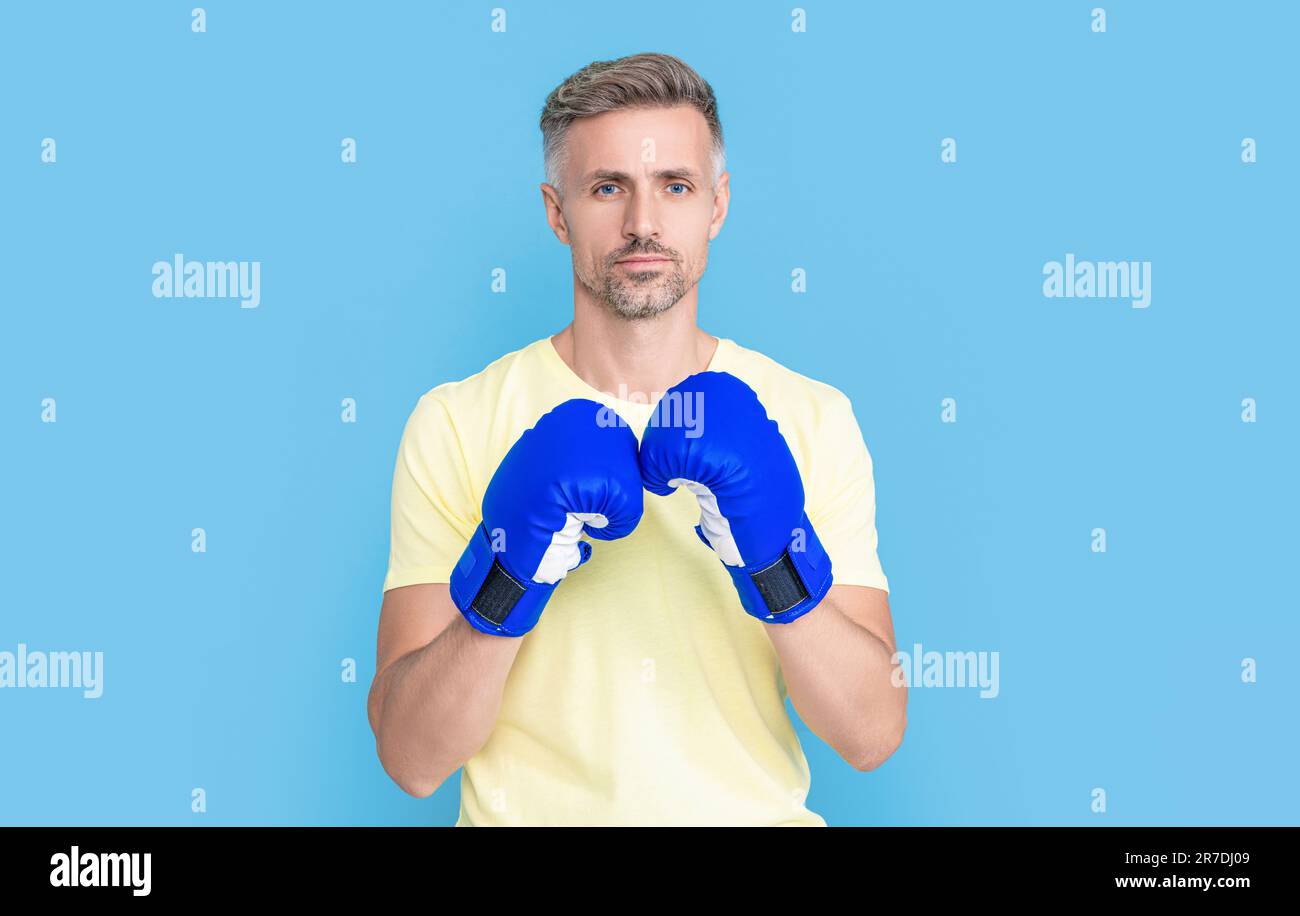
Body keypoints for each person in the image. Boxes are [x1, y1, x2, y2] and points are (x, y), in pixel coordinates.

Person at [367, 52, 906, 826]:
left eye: (675, 186)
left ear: (717, 206)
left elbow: (872, 733)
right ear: (557, 212)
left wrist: (775, 567)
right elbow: (410, 760)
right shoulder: (457, 420)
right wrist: (507, 580)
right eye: (608, 187)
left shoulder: (813, 416)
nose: (642, 223)